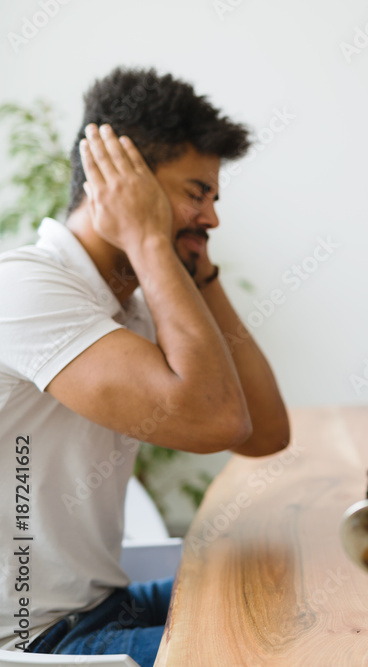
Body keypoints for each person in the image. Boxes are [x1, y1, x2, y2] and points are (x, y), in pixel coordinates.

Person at [0, 67, 290, 665]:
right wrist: (153, 242)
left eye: (213, 197)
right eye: (195, 192)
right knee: (289, 652)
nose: (210, 217)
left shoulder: (131, 301)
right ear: (120, 181)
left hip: (104, 603)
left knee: (295, 585)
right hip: (40, 637)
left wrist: (195, 268)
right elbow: (214, 421)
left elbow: (264, 432)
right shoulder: (24, 288)